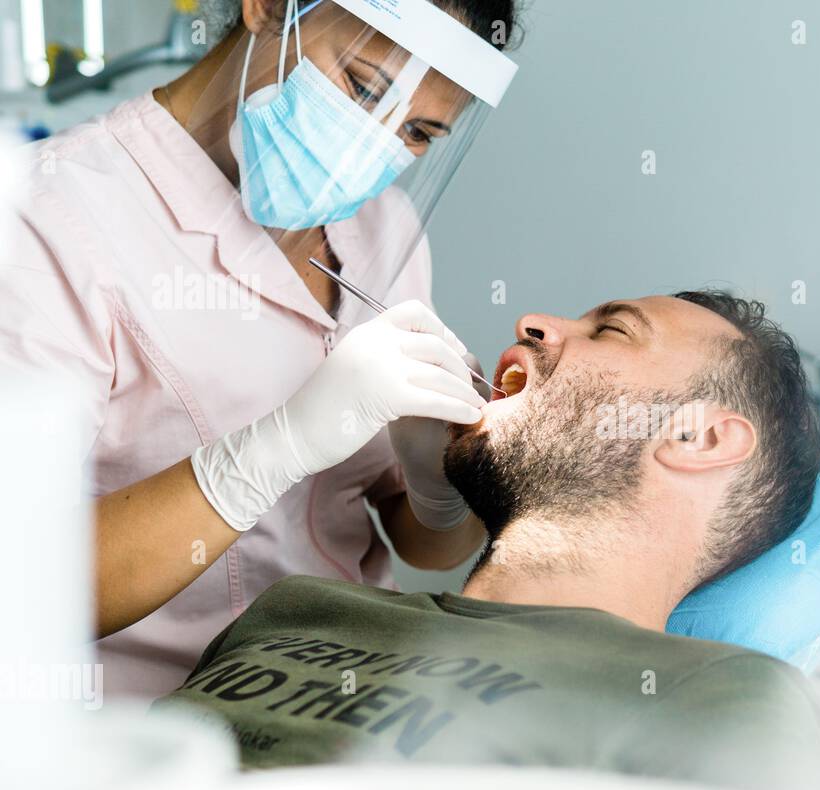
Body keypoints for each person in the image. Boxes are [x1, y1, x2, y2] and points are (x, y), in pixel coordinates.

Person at [155, 290, 820, 790]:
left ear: (698, 439)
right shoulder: (301, 605)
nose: (535, 323)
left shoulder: (731, 698)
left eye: (610, 329)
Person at [0, 0, 520, 702]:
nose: (377, 144)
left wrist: (439, 490)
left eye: (420, 132)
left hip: (347, 706)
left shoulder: (385, 230)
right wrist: (267, 452)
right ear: (271, 7)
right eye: (365, 90)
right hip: (150, 735)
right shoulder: (48, 220)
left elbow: (423, 546)